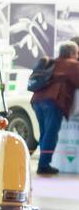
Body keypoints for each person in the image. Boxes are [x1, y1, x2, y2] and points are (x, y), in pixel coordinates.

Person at [31, 41, 79, 176]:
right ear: (71, 53)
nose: (77, 56)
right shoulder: (72, 64)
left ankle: (43, 162)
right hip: (53, 101)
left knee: (45, 133)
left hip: (37, 100)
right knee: (50, 134)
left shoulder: (51, 62)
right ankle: (43, 165)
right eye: (77, 53)